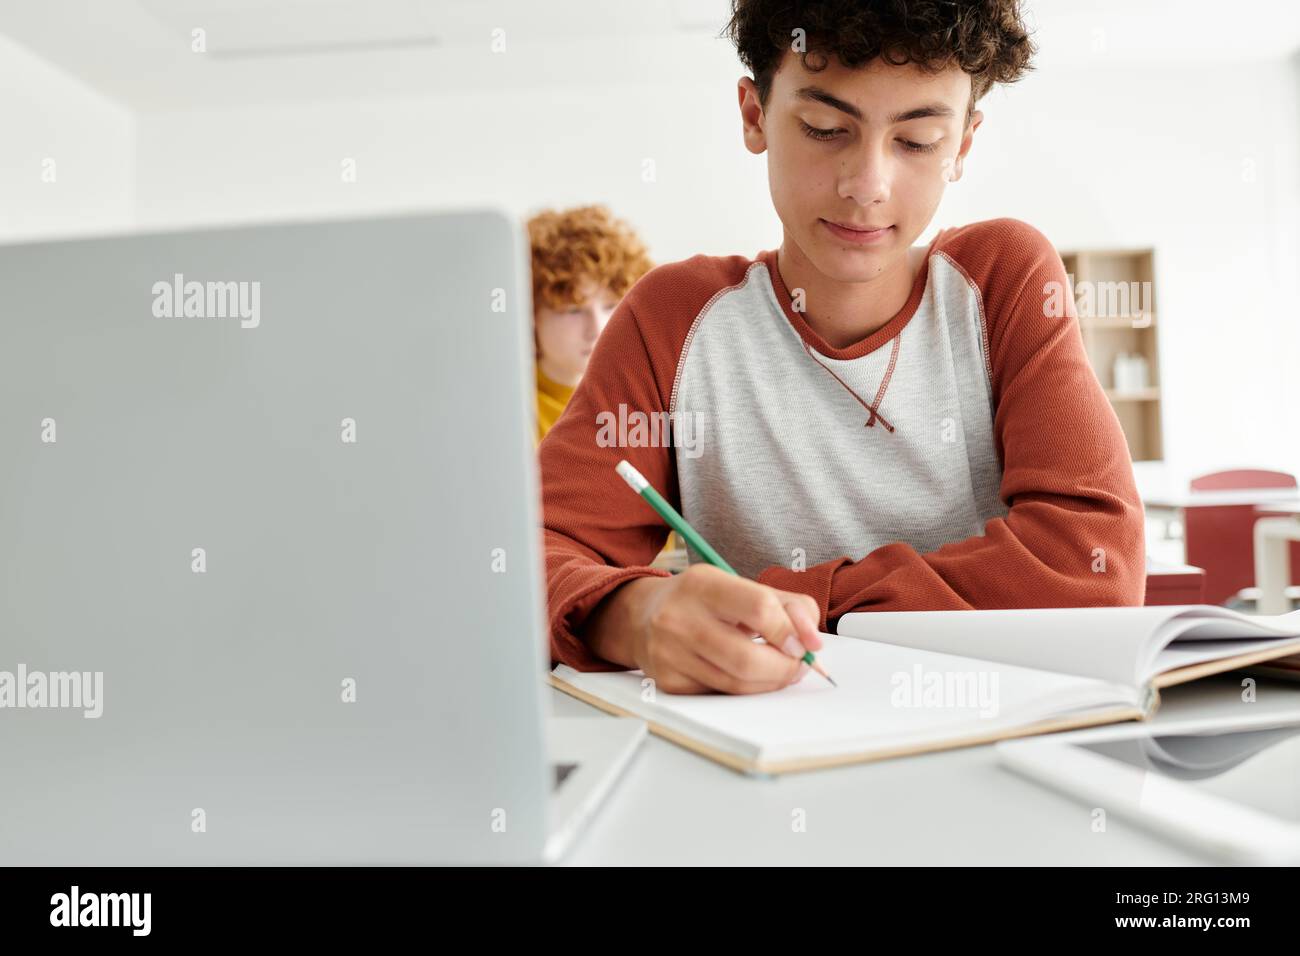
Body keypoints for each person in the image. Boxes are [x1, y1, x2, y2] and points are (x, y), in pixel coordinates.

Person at [540, 0, 1146, 695]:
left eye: (917, 141)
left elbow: (1093, 566)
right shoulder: (672, 322)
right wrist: (638, 616)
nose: (868, 186)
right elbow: (532, 556)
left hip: (997, 737)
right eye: (826, 128)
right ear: (753, 114)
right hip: (767, 755)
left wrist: (789, 601)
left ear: (963, 146)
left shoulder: (1002, 280)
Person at [527, 205, 653, 443]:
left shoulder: (644, 400)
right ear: (532, 314)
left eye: (611, 305)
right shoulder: (509, 410)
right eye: (573, 310)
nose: (598, 328)